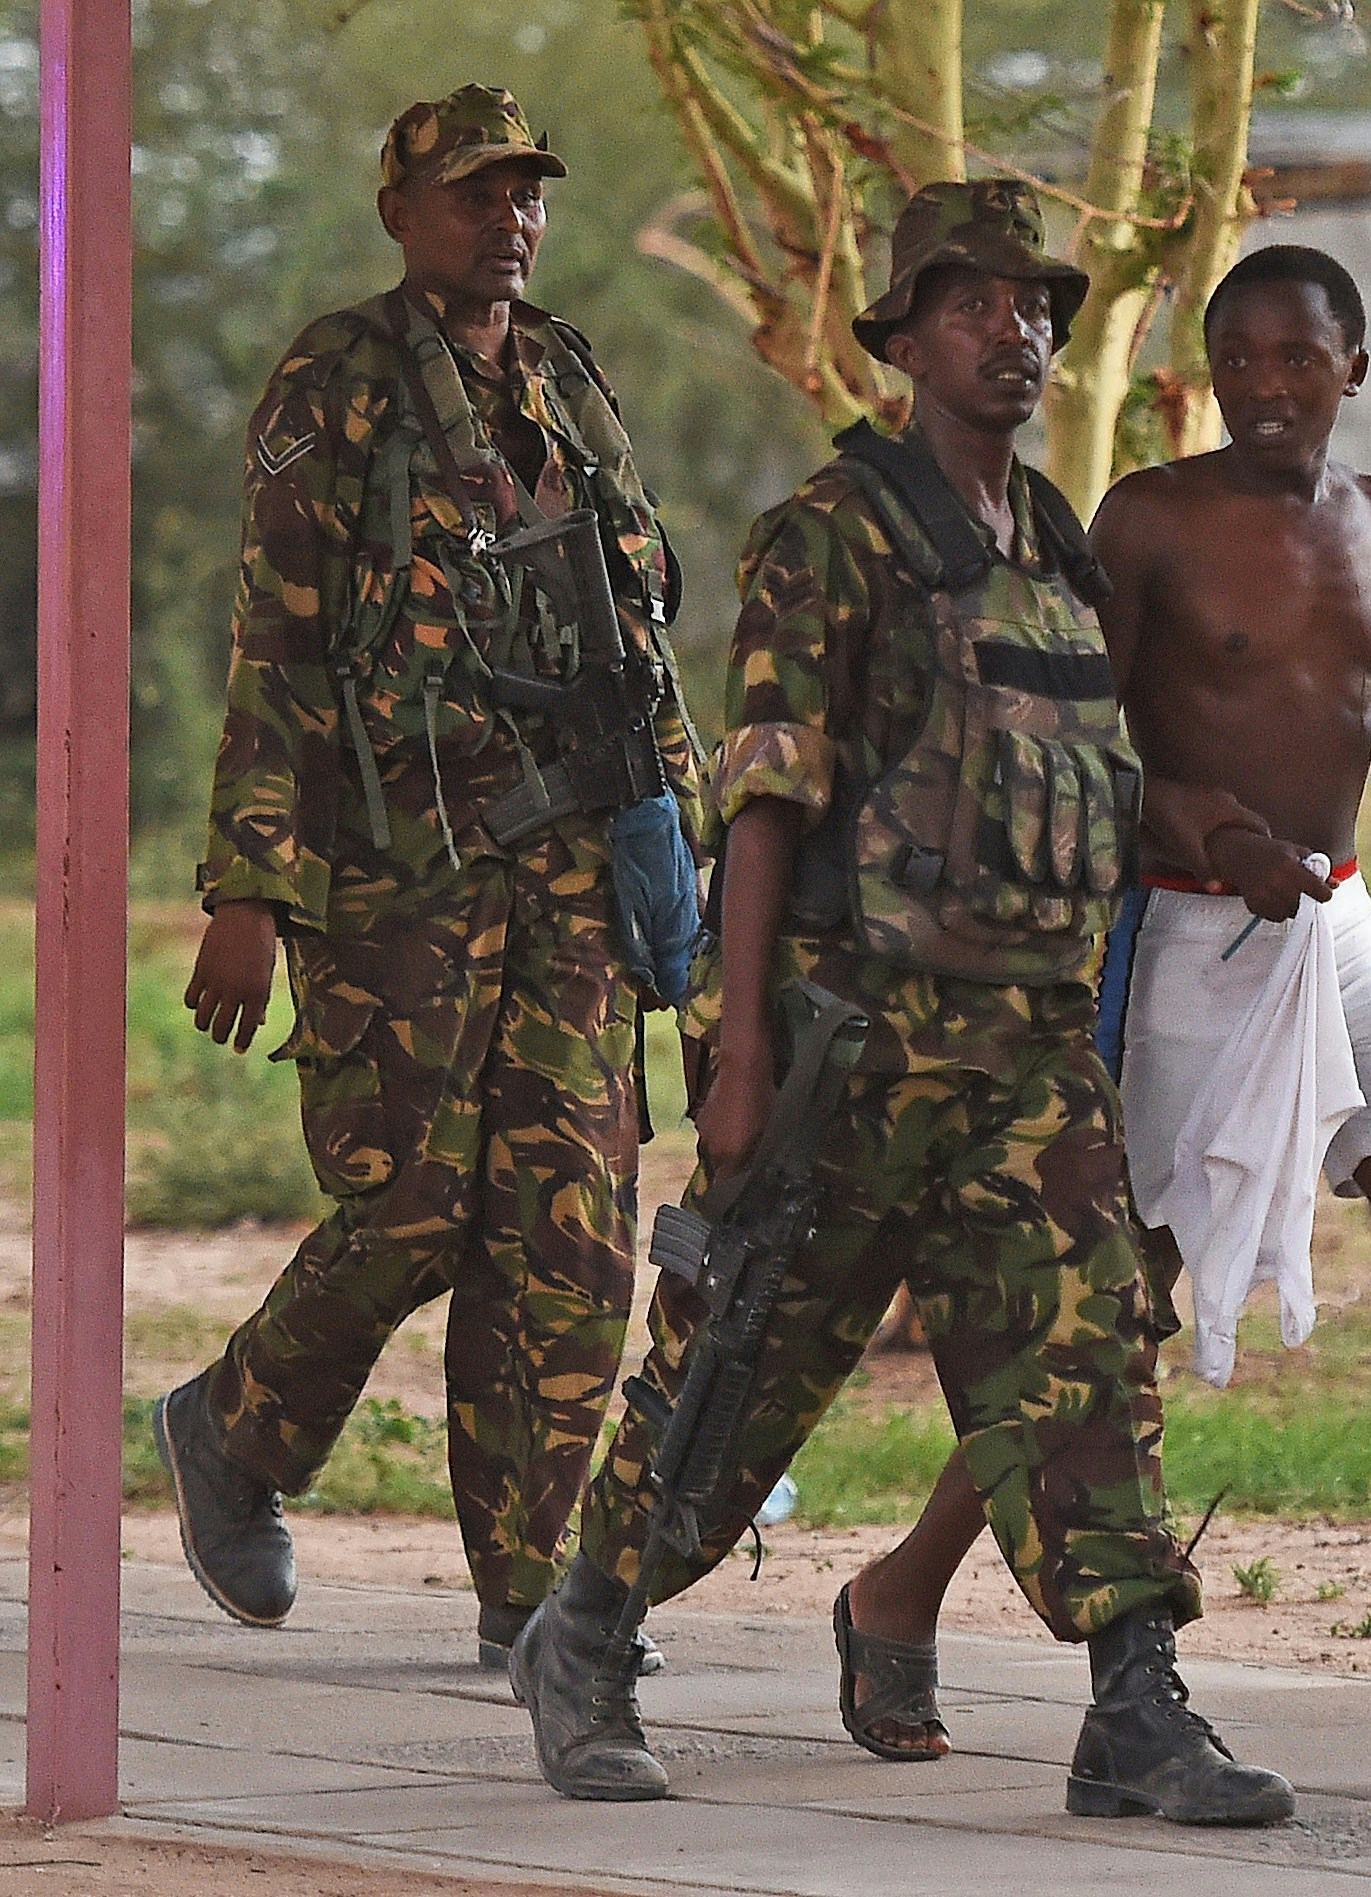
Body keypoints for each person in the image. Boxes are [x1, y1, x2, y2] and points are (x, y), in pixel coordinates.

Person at [511, 179, 1294, 1828]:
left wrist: (1209, 830)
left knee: (1090, 1354)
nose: (1011, 333)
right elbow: (769, 798)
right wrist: (733, 1049)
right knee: (737, 1363)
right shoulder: (831, 533)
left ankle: (1135, 1705)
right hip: (848, 1043)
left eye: (1034, 309)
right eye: (974, 305)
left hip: (1022, 1053)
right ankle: (585, 1633)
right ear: (907, 335)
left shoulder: (1058, 542)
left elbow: (1074, 783)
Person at [833, 243, 1371, 1795]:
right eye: (1243, 360)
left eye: (1299, 358)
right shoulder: (1151, 517)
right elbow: (1073, 750)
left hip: (1336, 928)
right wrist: (1209, 830)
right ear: (1213, 376)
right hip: (1186, 939)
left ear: (1356, 369)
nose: (1270, 387)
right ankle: (898, 1587)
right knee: (1106, 1323)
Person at [158, 85, 703, 1674]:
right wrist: (250, 886)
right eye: (475, 193)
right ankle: (237, 1430)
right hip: (402, 866)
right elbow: (277, 639)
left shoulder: (567, 377)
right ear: (401, 214)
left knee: (572, 1226)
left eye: (527, 191)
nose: (509, 218)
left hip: (579, 868)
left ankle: (527, 1595)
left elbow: (637, 635)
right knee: (408, 1206)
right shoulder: (339, 381)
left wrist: (693, 849)